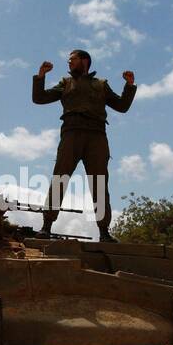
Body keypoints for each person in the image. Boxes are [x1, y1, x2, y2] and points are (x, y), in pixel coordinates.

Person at [32, 49, 137, 241]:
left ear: (84, 61)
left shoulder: (101, 84)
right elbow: (39, 99)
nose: (69, 63)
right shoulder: (66, 83)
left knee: (99, 183)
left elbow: (122, 106)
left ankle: (104, 232)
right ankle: (46, 226)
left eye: (72, 59)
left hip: (97, 136)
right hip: (71, 133)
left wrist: (129, 86)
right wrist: (40, 77)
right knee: (60, 177)